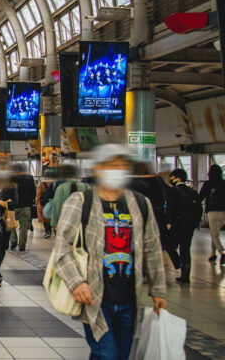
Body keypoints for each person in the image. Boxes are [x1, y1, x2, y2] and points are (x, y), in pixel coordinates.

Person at [53, 144, 167, 360]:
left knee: (119, 356)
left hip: (129, 297)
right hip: (94, 298)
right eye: (110, 165)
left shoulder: (141, 204)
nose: (117, 170)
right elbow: (62, 246)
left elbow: (152, 247)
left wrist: (158, 289)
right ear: (98, 169)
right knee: (107, 355)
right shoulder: (80, 202)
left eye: (121, 165)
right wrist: (76, 281)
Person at [167, 169, 202, 283]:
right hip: (189, 225)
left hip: (177, 224)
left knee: (170, 246)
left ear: (177, 178)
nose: (171, 180)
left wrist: (169, 222)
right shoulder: (192, 191)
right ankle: (185, 275)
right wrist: (195, 222)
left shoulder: (174, 191)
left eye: (172, 177)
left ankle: (179, 263)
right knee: (185, 248)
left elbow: (171, 208)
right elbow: (199, 208)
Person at [0, 169, 17, 287]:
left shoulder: (12, 189)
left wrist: (2, 203)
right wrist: (5, 202)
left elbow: (15, 203)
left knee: (4, 247)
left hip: (6, 221)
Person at [198, 164, 225, 265]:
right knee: (215, 233)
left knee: (214, 234)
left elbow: (200, 197)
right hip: (224, 212)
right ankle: (212, 254)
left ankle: (222, 252)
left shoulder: (208, 184)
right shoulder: (224, 183)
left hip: (212, 212)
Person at [50, 165, 88, 230]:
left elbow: (57, 206)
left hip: (64, 222)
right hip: (81, 223)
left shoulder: (61, 188)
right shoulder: (85, 187)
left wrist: (55, 223)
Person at [11, 164, 36, 251]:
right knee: (24, 228)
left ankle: (13, 241)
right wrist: (30, 201)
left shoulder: (11, 178)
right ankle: (22, 245)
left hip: (13, 206)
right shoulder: (30, 178)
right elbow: (34, 192)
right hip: (26, 206)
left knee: (11, 225)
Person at [36, 168, 57, 239]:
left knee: (45, 218)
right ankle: (54, 231)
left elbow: (38, 194)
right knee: (52, 218)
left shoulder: (42, 184)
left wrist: (37, 202)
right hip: (53, 202)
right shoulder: (56, 183)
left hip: (44, 203)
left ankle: (47, 231)